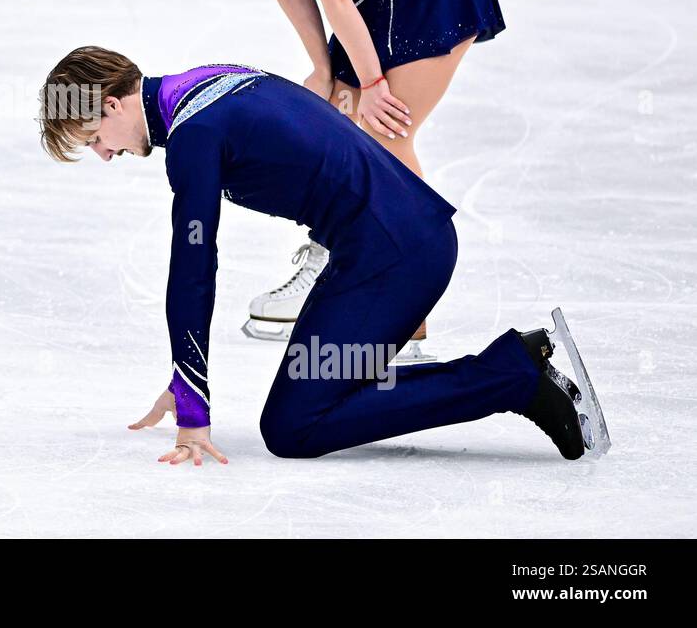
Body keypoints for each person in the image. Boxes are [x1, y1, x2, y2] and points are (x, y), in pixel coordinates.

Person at [37, 47, 609, 464]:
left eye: (93, 140)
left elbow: (193, 269)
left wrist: (193, 397)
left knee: (294, 427)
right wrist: (184, 379)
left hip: (395, 254)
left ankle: (513, 377)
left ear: (111, 104)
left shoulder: (192, 135)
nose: (105, 155)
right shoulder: (202, 82)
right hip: (390, 243)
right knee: (315, 394)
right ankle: (514, 367)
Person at [163, 0, 505, 358]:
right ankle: (335, 251)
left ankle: (409, 323)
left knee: (385, 134)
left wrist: (370, 83)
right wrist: (322, 72)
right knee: (341, 126)